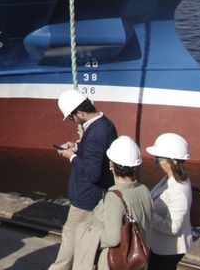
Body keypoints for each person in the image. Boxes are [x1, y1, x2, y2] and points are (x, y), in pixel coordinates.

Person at [51, 89, 119, 270]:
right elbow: (97, 152)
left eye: (71, 117)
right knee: (85, 239)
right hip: (96, 195)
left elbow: (92, 172)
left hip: (86, 198)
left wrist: (71, 157)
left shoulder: (96, 132)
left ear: (80, 113)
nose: (72, 120)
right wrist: (76, 146)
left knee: (70, 237)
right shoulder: (106, 125)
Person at [73, 136, 153, 270]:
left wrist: (86, 231)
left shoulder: (114, 197)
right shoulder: (144, 190)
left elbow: (113, 238)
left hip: (115, 263)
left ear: (111, 165)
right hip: (138, 260)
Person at [145, 133, 194, 270]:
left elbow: (172, 228)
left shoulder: (178, 189)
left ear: (174, 161)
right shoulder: (170, 178)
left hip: (167, 251)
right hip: (159, 246)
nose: (156, 162)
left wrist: (147, 213)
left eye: (159, 159)